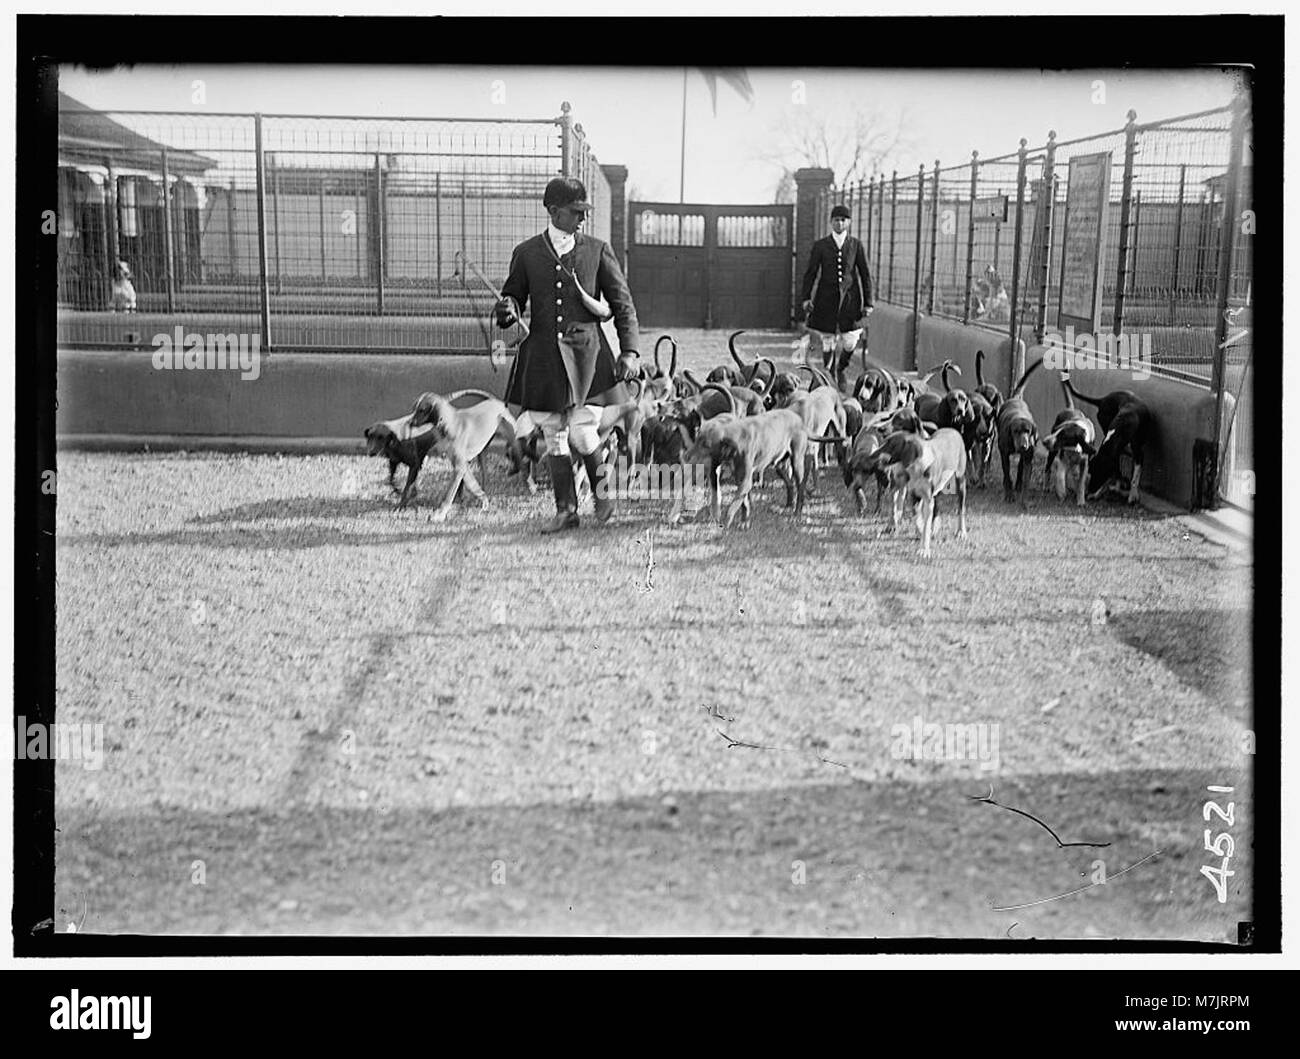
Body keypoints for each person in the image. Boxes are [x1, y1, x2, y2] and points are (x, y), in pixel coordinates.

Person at [494, 177, 640, 533]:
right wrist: (507, 310)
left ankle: (603, 498)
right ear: (553, 210)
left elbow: (623, 305)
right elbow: (512, 297)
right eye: (576, 212)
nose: (582, 219)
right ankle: (566, 511)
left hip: (587, 356)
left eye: (584, 212)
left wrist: (630, 350)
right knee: (554, 433)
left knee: (582, 430)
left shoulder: (597, 250)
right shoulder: (526, 253)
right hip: (544, 357)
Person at [799, 204, 874, 388]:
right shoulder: (821, 246)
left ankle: (841, 368)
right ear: (831, 222)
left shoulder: (856, 245)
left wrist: (868, 302)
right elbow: (811, 272)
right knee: (828, 339)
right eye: (836, 220)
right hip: (826, 298)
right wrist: (806, 298)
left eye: (843, 220)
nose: (839, 223)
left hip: (850, 300)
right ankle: (829, 373)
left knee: (850, 340)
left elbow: (865, 274)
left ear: (848, 222)